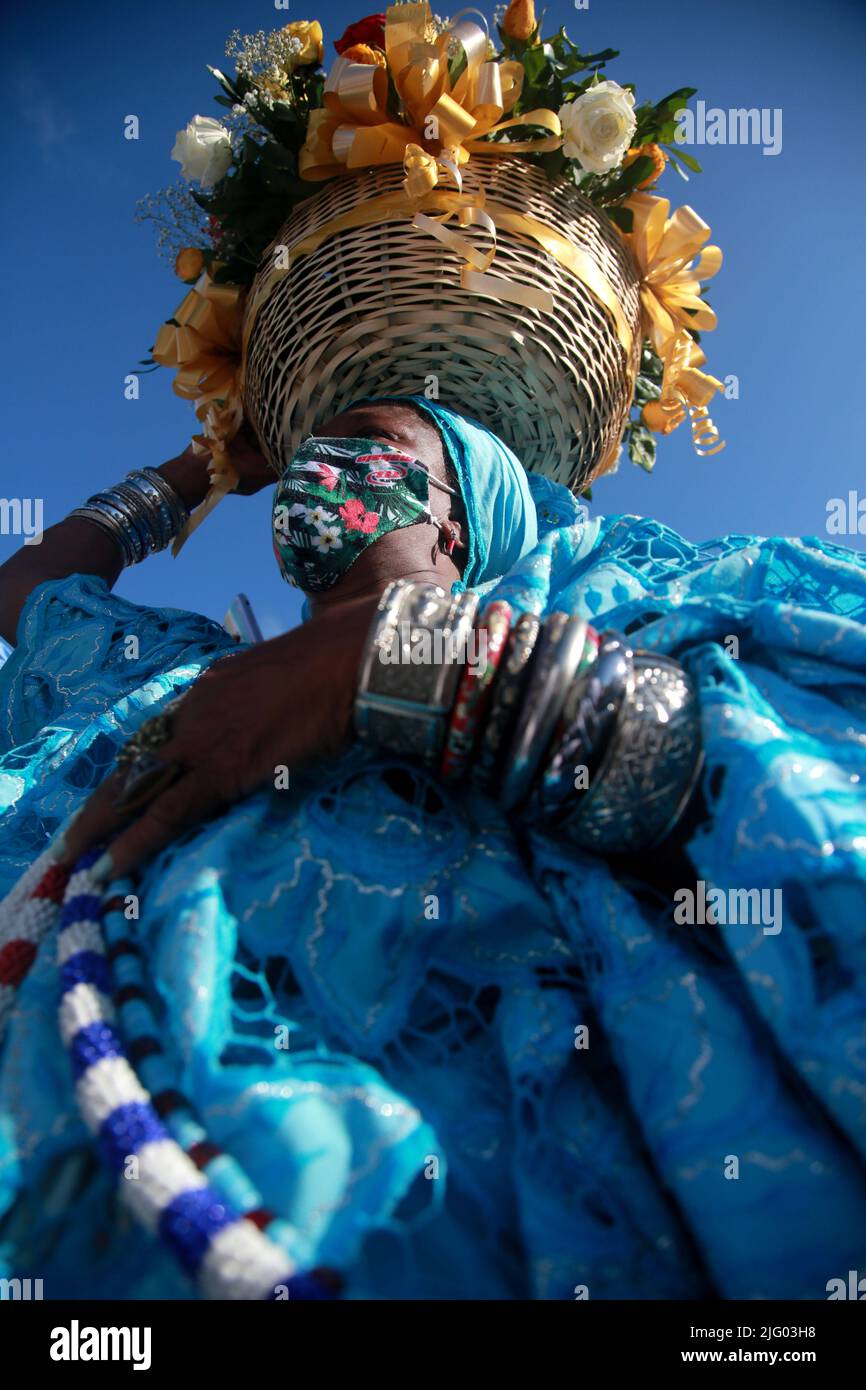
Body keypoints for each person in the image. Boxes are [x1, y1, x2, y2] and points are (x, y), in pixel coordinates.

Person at [0, 394, 865, 1300]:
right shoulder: (181, 672)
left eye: (365, 444)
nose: (319, 464)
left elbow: (789, 788)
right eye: (313, 446)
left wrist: (396, 664)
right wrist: (202, 472)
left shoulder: (597, 601)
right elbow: (28, 586)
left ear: (456, 524)